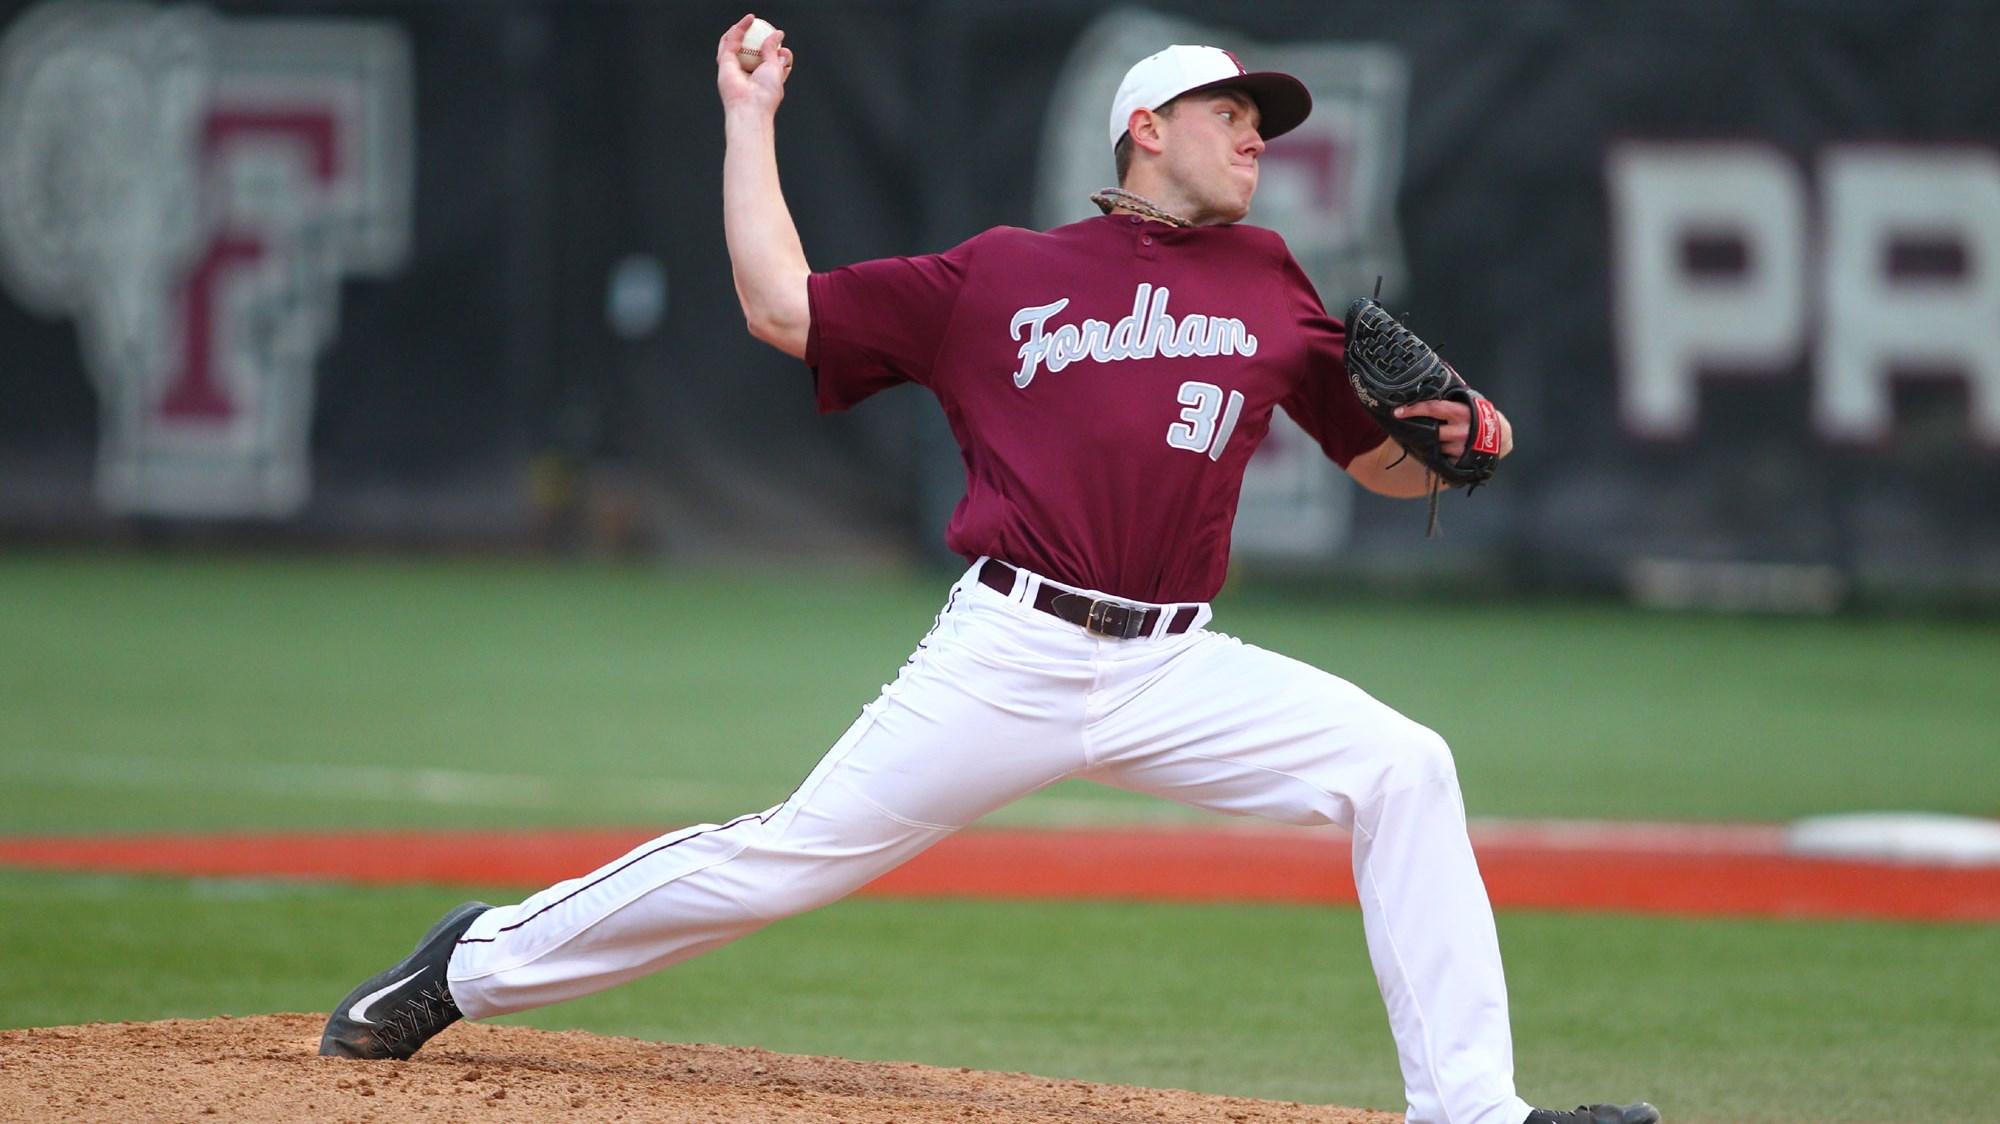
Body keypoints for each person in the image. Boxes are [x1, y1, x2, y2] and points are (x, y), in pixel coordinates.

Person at [319, 16, 1658, 1124]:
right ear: (1147, 127)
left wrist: (1456, 447)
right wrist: (748, 120)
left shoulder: (1270, 279)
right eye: (1230, 112)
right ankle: (473, 961)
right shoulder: (1004, 277)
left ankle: (1474, 1113)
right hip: (1007, 653)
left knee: (1402, 764)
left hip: (1176, 663)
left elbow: (1375, 461)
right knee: (786, 860)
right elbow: (781, 307)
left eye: (1265, 118)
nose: (1258, 134)